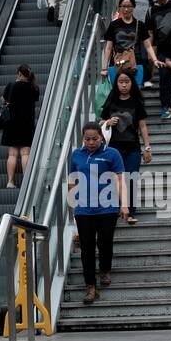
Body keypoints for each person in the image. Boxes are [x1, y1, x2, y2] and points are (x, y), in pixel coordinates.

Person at [68, 121, 128, 304]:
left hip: (107, 207)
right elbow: (72, 180)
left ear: (101, 137)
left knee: (105, 241)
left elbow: (120, 181)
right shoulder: (76, 155)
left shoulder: (112, 154)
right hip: (84, 209)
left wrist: (123, 205)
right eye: (87, 139)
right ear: (82, 138)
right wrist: (73, 203)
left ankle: (105, 269)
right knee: (86, 247)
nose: (91, 142)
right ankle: (90, 287)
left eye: (95, 139)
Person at [98, 71, 151, 224]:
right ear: (116, 83)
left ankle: (130, 212)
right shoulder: (111, 101)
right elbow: (99, 123)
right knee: (115, 180)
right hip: (113, 149)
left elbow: (142, 126)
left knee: (132, 178)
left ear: (132, 83)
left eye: (127, 81)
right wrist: (108, 122)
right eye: (121, 81)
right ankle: (116, 209)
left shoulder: (136, 102)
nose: (124, 84)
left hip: (133, 147)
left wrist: (147, 148)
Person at [102, 0, 159, 87]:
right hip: (117, 63)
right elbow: (108, 48)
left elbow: (148, 45)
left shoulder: (140, 25)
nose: (126, 9)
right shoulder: (113, 25)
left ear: (133, 7)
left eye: (129, 6)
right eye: (123, 6)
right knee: (119, 92)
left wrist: (155, 60)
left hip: (136, 63)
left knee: (136, 92)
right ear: (119, 7)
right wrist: (104, 68)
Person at [1, 65, 39, 187]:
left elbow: (4, 100)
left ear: (19, 74)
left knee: (12, 154)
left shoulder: (11, 85)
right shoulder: (33, 88)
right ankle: (26, 182)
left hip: (11, 123)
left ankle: (10, 181)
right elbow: (35, 99)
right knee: (25, 153)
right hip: (27, 124)